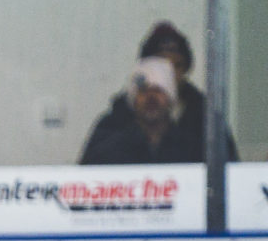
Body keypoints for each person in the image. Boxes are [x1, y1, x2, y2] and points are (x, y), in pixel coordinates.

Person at [79, 25, 238, 163]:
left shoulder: (208, 123)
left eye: (177, 65)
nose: (169, 72)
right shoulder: (113, 124)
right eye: (159, 64)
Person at [80, 59, 215, 165]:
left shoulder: (194, 148)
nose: (151, 97)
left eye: (158, 90)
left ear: (171, 98)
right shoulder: (108, 149)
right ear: (133, 100)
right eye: (143, 91)